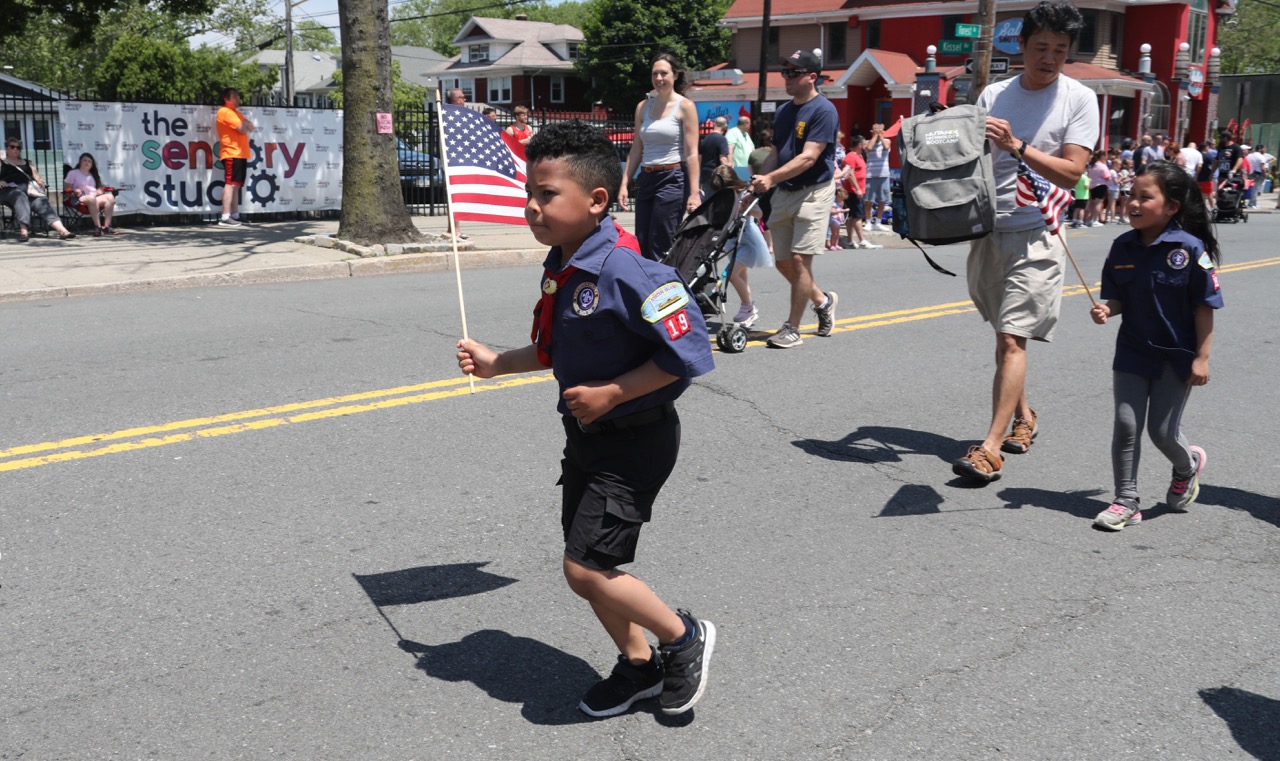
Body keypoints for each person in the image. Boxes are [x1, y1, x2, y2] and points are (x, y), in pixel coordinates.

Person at [455, 120, 717, 718]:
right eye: (531, 190)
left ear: (597, 200)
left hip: (637, 441)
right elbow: (553, 351)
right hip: (588, 440)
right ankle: (639, 666)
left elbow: (688, 356)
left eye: (547, 194)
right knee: (591, 564)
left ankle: (683, 637)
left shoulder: (631, 271)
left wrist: (615, 393)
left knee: (586, 568)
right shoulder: (562, 265)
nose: (531, 205)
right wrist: (497, 363)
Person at [951, 0, 1099, 482]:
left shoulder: (1079, 98)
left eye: (1060, 49)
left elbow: (1074, 169)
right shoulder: (993, 94)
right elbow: (968, 160)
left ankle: (989, 449)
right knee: (1004, 337)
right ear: (1022, 46)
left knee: (1014, 338)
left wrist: (1018, 147)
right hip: (991, 231)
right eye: (1041, 47)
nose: (1050, 57)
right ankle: (1024, 416)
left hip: (1040, 231)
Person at [1088, 161, 1222, 530]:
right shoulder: (1122, 247)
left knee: (1162, 432)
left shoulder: (1190, 249)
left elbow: (1204, 307)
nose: (1133, 203)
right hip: (1132, 351)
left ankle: (1186, 465)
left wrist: (1202, 358)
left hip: (1177, 358)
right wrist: (1106, 309)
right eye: (1131, 194)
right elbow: (1116, 298)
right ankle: (1126, 500)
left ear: (1172, 207)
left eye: (1144, 197)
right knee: (1126, 424)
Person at [749, 49, 840, 350]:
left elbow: (809, 157)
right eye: (785, 71)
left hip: (813, 192)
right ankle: (822, 300)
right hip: (785, 192)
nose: (786, 77)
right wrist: (755, 186)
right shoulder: (786, 111)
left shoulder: (824, 110)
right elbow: (776, 152)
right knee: (784, 262)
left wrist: (771, 179)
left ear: (812, 77)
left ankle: (793, 328)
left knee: (800, 262)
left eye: (793, 72)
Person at [618, 52, 701, 259]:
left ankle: (664, 288)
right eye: (655, 74)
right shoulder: (643, 107)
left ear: (675, 75)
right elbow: (637, 148)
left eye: (664, 73)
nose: (659, 79)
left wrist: (693, 193)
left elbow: (692, 153)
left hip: (672, 178)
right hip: (647, 177)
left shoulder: (685, 107)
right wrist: (624, 184)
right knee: (642, 241)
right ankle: (647, 288)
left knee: (661, 242)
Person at [711, 164, 772, 327]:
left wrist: (747, 208)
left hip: (749, 240)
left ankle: (748, 307)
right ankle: (748, 308)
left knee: (732, 274)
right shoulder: (725, 197)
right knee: (741, 277)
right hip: (735, 240)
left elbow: (759, 214)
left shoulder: (744, 194)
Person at [0, 138, 77, 242]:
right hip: (7, 192)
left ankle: (63, 231)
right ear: (6, 148)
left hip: (29, 191)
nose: (15, 149)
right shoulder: (2, 162)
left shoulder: (28, 162)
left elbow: (37, 176)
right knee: (19, 195)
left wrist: (41, 182)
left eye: (18, 147)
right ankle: (24, 231)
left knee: (41, 201)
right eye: (12, 147)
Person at [215, 87, 253, 227]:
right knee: (230, 184)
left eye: (237, 96)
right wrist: (245, 124)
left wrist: (245, 124)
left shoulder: (235, 113)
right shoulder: (225, 112)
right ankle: (225, 216)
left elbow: (252, 126)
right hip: (231, 152)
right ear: (226, 99)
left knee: (236, 185)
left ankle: (235, 215)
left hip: (240, 153)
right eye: (234, 97)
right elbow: (244, 128)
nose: (237, 99)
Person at [63, 152, 120, 236]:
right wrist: (74, 193)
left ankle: (107, 227)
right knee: (91, 198)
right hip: (79, 198)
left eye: (89, 161)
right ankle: (97, 227)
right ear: (80, 162)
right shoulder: (73, 173)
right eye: (84, 160)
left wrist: (100, 190)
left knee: (110, 197)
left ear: (92, 164)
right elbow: (67, 189)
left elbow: (100, 187)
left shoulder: (93, 174)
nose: (87, 162)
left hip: (94, 197)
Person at [842, 134, 880, 249]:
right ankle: (862, 240)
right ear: (859, 145)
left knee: (854, 216)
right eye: (864, 143)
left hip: (859, 190)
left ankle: (850, 241)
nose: (866, 145)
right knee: (857, 216)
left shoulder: (860, 156)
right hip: (853, 191)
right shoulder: (850, 157)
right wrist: (857, 189)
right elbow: (850, 174)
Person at [444, 88, 469, 240]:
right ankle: (455, 230)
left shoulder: (461, 114)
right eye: (462, 97)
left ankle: (453, 228)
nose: (464, 100)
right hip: (452, 160)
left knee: (456, 194)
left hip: (459, 159)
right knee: (454, 193)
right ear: (455, 99)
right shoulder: (449, 115)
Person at [863, 122, 892, 231]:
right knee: (869, 200)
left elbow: (886, 147)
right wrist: (875, 135)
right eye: (875, 131)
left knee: (883, 200)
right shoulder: (866, 142)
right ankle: (868, 221)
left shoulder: (887, 141)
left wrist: (880, 135)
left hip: (884, 175)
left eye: (880, 131)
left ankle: (879, 222)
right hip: (870, 175)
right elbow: (869, 148)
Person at [698, 116, 731, 198]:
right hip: (716, 175)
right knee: (716, 200)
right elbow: (722, 158)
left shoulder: (705, 139)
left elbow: (700, 158)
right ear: (724, 127)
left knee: (707, 198)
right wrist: (728, 173)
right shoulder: (722, 139)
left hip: (705, 174)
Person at [1085, 151, 1110, 227]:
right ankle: (1095, 220)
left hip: (1092, 185)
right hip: (1100, 185)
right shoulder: (1102, 166)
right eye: (1105, 156)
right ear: (1102, 156)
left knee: (1092, 203)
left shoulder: (1091, 166)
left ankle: (1090, 219)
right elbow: (1107, 177)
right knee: (1098, 203)